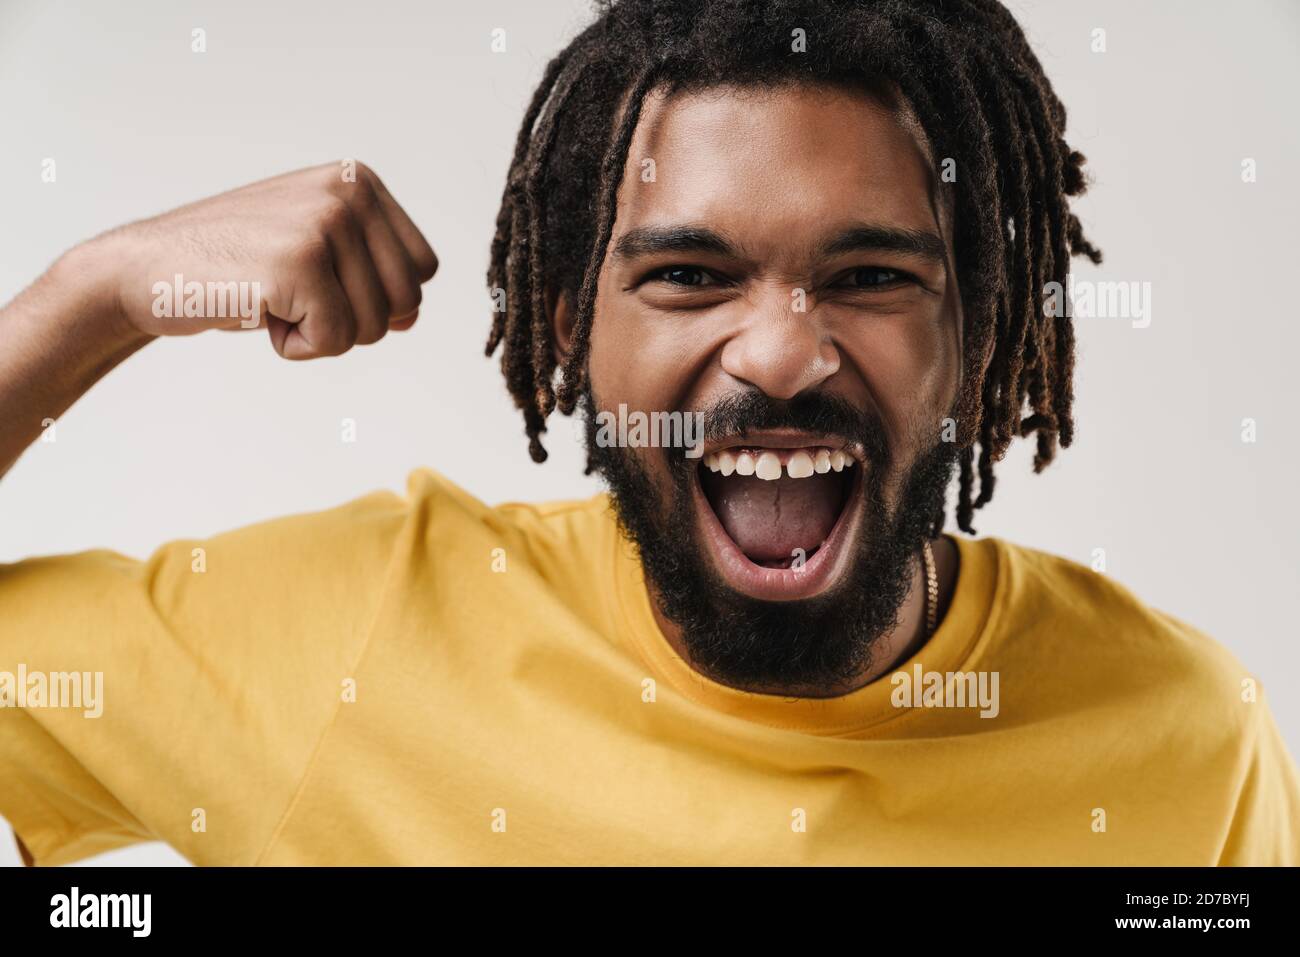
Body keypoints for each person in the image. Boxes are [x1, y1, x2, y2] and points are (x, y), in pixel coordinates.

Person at [2, 0, 1296, 865]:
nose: (784, 351)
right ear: (570, 326)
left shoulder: (1189, 741)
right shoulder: (352, 638)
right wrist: (93, 293)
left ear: (982, 334)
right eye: (689, 275)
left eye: (874, 276)